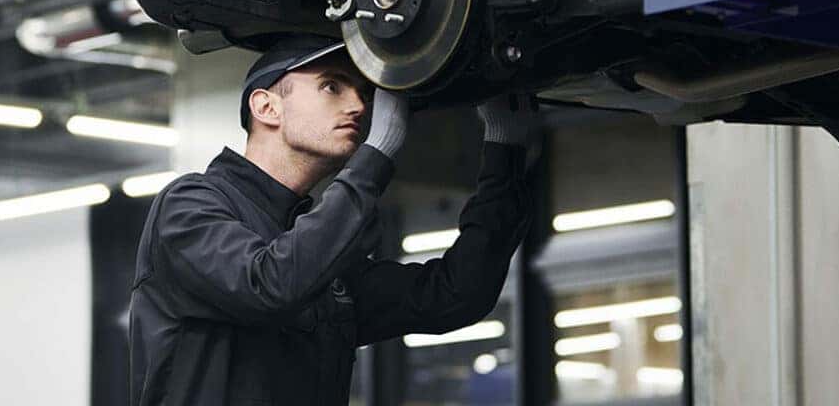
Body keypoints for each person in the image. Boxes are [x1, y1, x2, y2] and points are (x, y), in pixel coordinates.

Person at [129, 34, 535, 405]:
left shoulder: (323, 261)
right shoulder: (189, 205)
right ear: (266, 106)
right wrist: (375, 156)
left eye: (363, 93)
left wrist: (505, 151)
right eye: (332, 86)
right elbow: (269, 284)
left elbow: (453, 296)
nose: (359, 106)